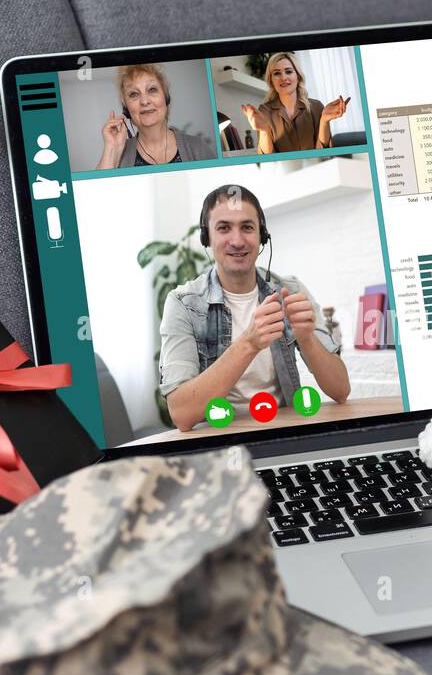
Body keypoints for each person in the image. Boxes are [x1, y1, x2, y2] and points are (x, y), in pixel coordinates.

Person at [159, 184, 350, 431]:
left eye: (247, 227)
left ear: (262, 236)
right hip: (220, 438)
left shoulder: (290, 291)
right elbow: (182, 414)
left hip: (282, 434)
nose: (237, 241)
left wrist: (307, 339)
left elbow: (341, 390)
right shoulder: (182, 304)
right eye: (224, 228)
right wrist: (248, 343)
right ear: (207, 238)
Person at [96, 64, 215, 169]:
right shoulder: (119, 154)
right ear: (126, 107)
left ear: (166, 97)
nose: (144, 101)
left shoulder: (197, 147)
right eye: (134, 94)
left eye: (152, 89)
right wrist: (112, 148)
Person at [240, 52, 351, 154]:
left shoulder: (316, 106)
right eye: (277, 73)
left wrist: (324, 121)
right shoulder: (264, 111)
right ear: (271, 80)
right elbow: (268, 158)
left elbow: (324, 152)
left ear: (298, 76)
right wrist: (264, 130)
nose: (283, 78)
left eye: (288, 71)